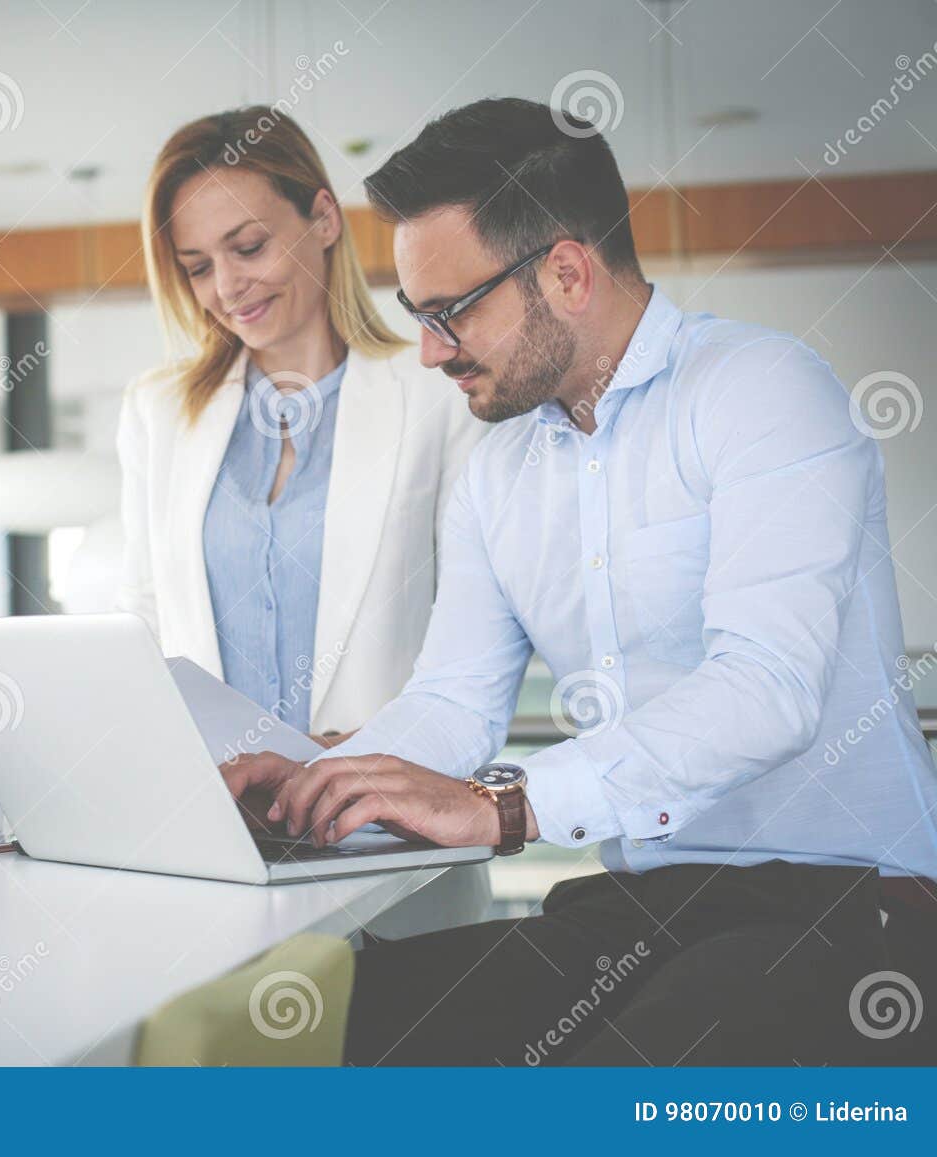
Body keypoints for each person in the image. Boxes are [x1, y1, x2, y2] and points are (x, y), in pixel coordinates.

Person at [223, 97, 937, 1064]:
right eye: (416, 317)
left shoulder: (762, 391)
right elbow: (450, 702)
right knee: (341, 1024)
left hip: (841, 906)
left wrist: (505, 804)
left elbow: (767, 691)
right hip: (644, 909)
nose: (431, 350)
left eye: (450, 312)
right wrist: (317, 789)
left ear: (565, 271)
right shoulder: (499, 475)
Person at [117, 107, 484, 745]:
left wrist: (376, 748)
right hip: (212, 817)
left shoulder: (437, 395)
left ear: (323, 218)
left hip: (382, 816)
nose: (228, 286)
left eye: (249, 247)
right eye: (198, 266)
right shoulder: (159, 412)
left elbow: (476, 633)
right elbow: (142, 628)